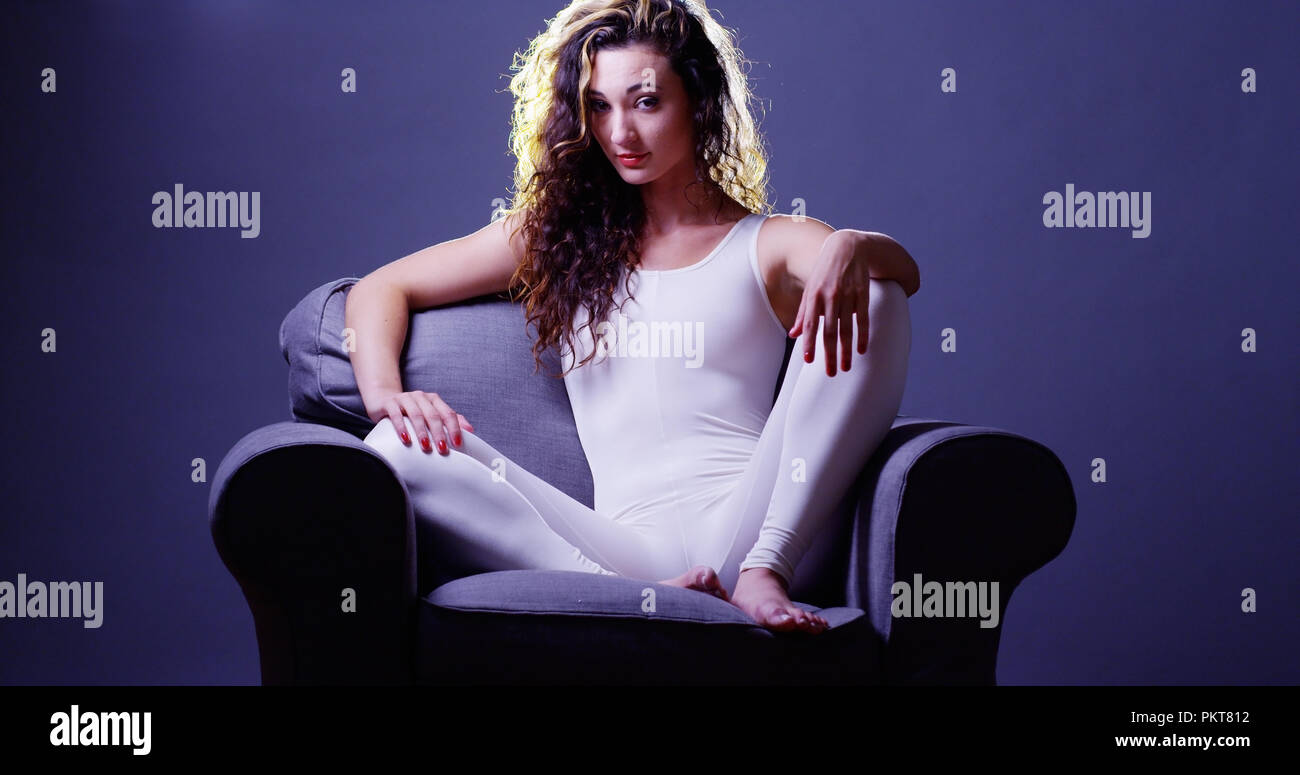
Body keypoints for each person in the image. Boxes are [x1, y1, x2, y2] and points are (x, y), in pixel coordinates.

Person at [346, 0, 918, 634]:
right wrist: (386, 397)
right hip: (625, 552)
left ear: (697, 101)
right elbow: (380, 288)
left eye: (646, 101)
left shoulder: (768, 243)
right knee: (393, 446)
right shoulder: (553, 240)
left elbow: (900, 277)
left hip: (754, 525)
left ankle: (764, 574)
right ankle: (621, 594)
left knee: (876, 289)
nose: (619, 131)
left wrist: (853, 245)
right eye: (598, 105)